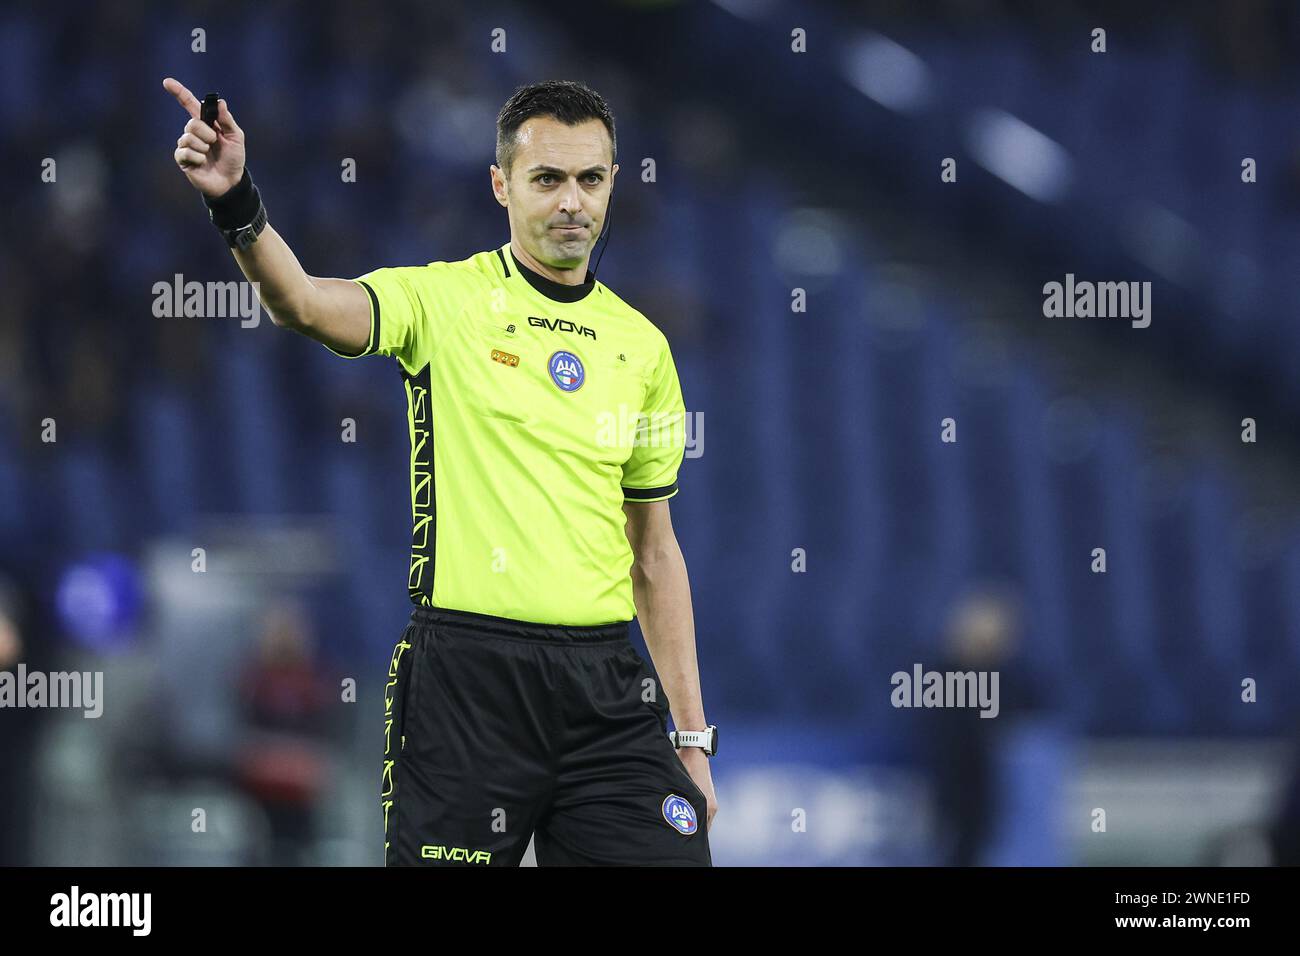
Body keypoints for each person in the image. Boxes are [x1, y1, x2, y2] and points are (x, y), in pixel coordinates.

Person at [163, 76, 716, 865]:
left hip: (607, 690)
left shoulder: (644, 348)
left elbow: (655, 555)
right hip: (468, 683)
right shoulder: (442, 301)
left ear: (613, 183)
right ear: (502, 185)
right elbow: (304, 304)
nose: (572, 201)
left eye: (590, 179)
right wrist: (236, 202)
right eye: (547, 178)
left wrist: (691, 737)